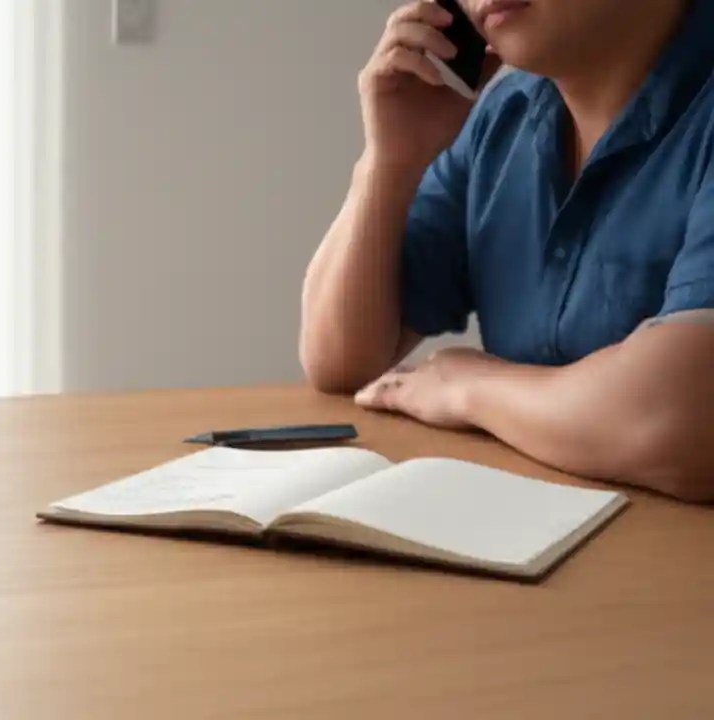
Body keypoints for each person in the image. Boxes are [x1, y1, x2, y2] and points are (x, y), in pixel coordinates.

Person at [299, 0, 714, 502]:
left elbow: (683, 421)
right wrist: (388, 161)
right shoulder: (505, 116)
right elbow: (341, 361)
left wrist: (466, 385)